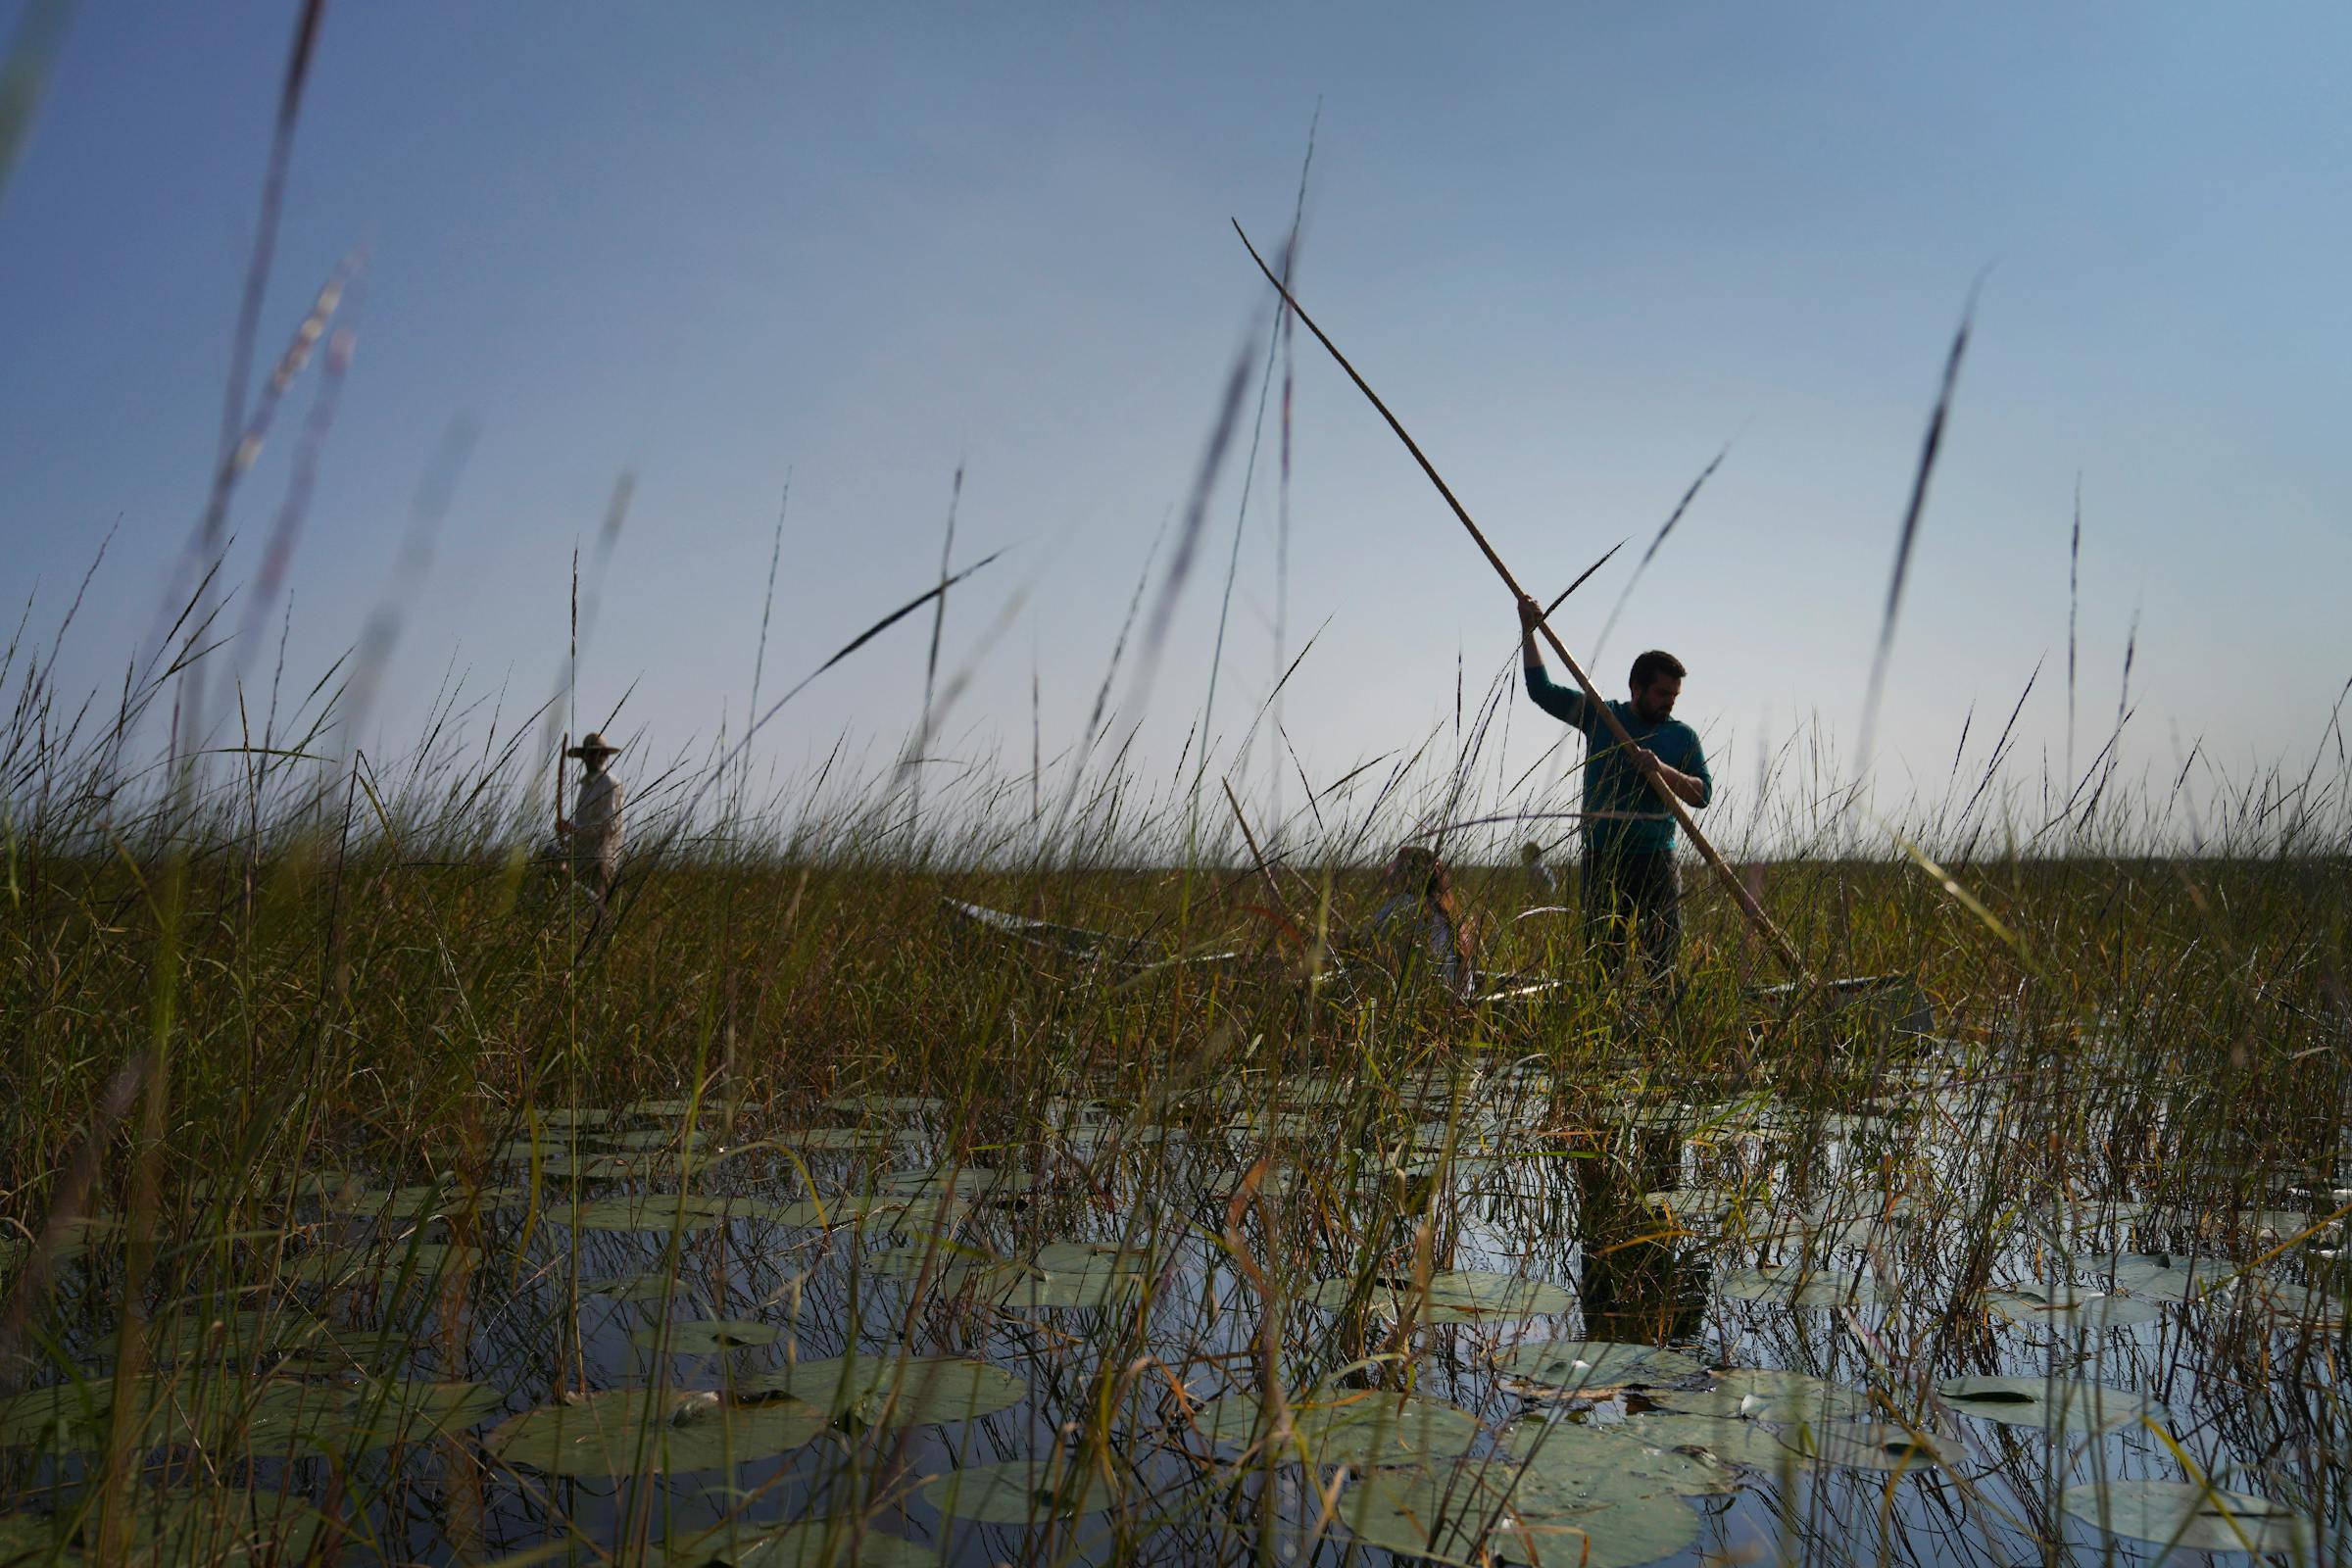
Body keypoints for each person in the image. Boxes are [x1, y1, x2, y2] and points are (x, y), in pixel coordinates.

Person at [1516, 598, 1712, 984]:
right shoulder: (1603, 718)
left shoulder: (1681, 736)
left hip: (1657, 858)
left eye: (1674, 696)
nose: (1668, 702)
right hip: (1604, 857)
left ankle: (1661, 1018)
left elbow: (1701, 794)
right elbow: (1541, 690)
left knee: (1662, 958)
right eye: (1661, 694)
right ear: (1636, 687)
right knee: (1603, 957)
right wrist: (1528, 629)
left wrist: (1663, 770)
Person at [1364, 844, 1476, 996]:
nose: (1391, 873)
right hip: (1456, 1006)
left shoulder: (1400, 906)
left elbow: (1363, 942)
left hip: (1417, 1004)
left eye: (1397, 870)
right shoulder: (1451, 914)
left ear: (1405, 873)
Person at [558, 732, 625, 901]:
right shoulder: (585, 784)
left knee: (595, 903)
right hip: (581, 854)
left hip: (600, 857)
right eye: (587, 754)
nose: (590, 758)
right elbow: (584, 821)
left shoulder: (609, 783)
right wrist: (566, 830)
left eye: (596, 753)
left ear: (603, 756)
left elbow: (609, 827)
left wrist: (574, 830)